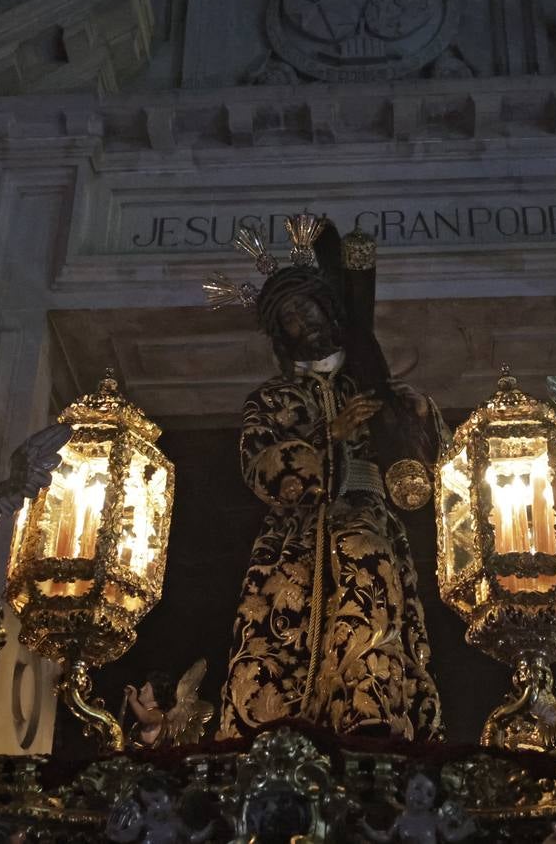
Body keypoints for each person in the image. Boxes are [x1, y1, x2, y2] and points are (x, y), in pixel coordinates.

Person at [214, 247, 443, 741]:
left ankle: (370, 719)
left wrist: (413, 416)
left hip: (368, 522)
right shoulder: (271, 399)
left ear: (329, 306)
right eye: (289, 318)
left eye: (306, 307)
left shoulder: (379, 385)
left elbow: (420, 471)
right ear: (282, 335)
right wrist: (327, 435)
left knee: (369, 600)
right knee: (280, 643)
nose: (303, 322)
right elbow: (258, 467)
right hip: (293, 541)